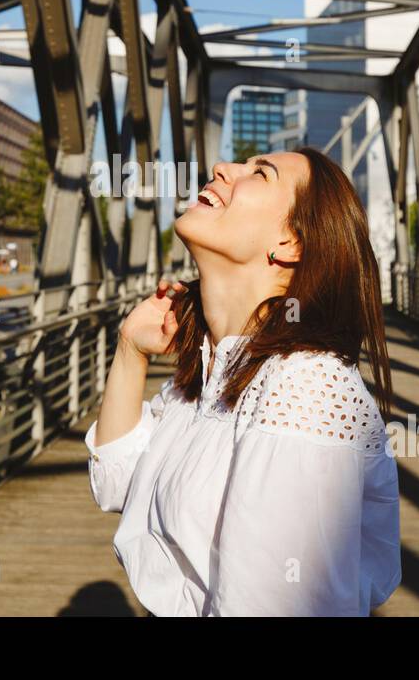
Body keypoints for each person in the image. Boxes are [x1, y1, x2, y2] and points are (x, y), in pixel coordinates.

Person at [84, 147, 400, 616]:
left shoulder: (305, 387)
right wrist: (131, 350)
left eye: (261, 172)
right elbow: (117, 485)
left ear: (290, 243)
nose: (222, 169)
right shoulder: (217, 370)